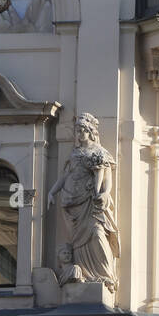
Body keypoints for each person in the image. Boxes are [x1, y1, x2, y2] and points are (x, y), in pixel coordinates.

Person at [47, 112, 119, 291]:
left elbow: (106, 175)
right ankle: (85, 274)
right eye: (77, 130)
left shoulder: (100, 152)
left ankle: (105, 275)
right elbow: (65, 176)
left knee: (97, 233)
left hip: (91, 199)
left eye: (82, 130)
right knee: (78, 239)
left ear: (90, 131)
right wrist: (52, 191)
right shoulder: (74, 153)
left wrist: (105, 192)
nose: (79, 134)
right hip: (73, 200)